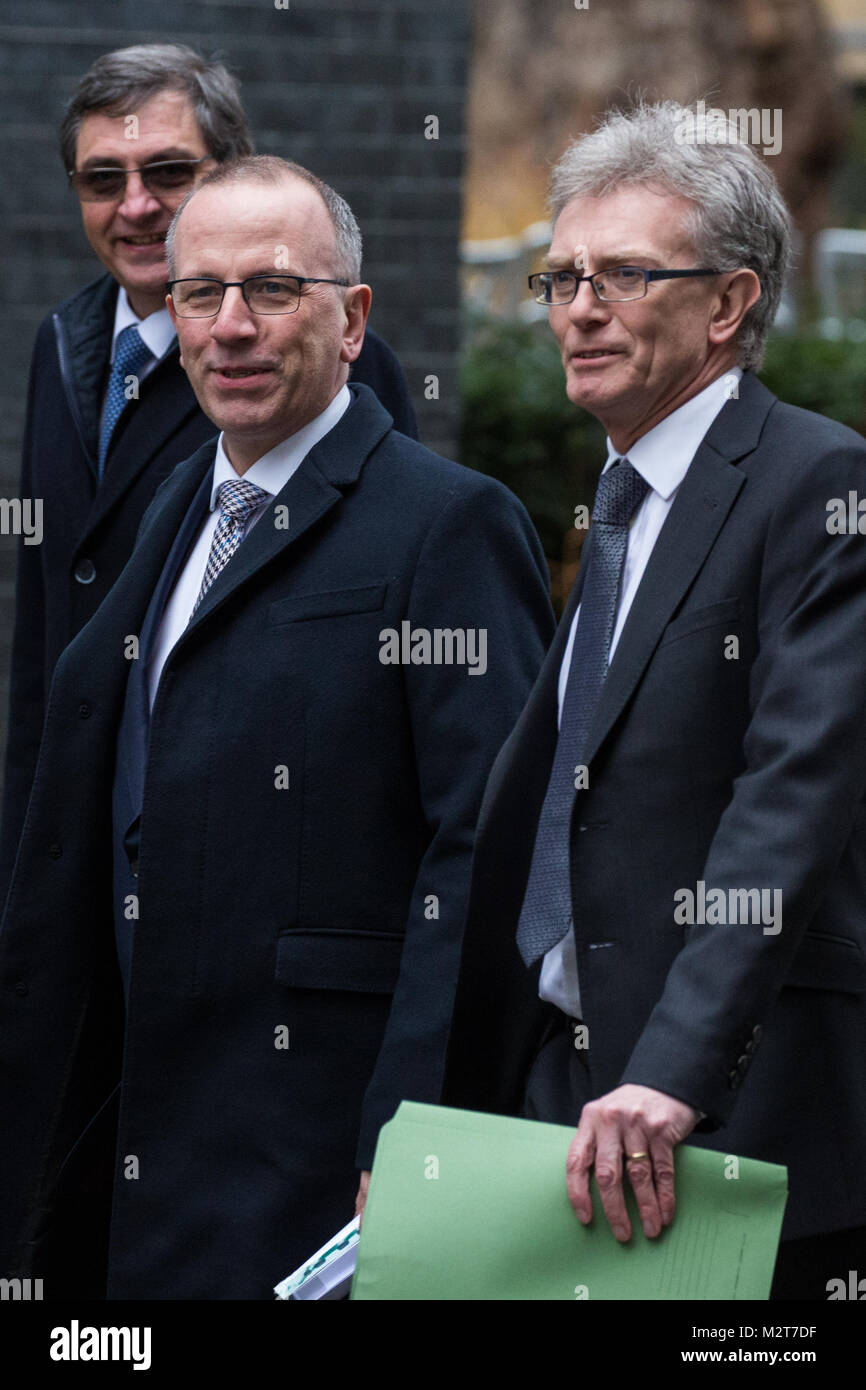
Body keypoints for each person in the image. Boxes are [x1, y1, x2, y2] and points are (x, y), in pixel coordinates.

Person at [0, 154, 553, 1300]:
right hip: (130, 1117)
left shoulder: (447, 525)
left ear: (352, 319)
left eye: (272, 290)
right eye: (199, 293)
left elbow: (483, 851)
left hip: (313, 1139)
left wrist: (412, 1132)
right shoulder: (174, 511)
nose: (230, 326)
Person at [442, 100, 866, 1300]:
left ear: (728, 302)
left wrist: (676, 1067)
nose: (577, 307)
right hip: (560, 1091)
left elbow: (790, 797)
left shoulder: (814, 482)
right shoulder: (618, 498)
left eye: (623, 274)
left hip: (720, 1113)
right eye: (561, 275)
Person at [0, 44, 417, 905]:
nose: (137, 206)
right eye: (102, 179)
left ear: (234, 173)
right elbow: (47, 617)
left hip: (236, 862)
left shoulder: (327, 355)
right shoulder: (62, 344)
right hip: (75, 847)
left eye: (168, 171)